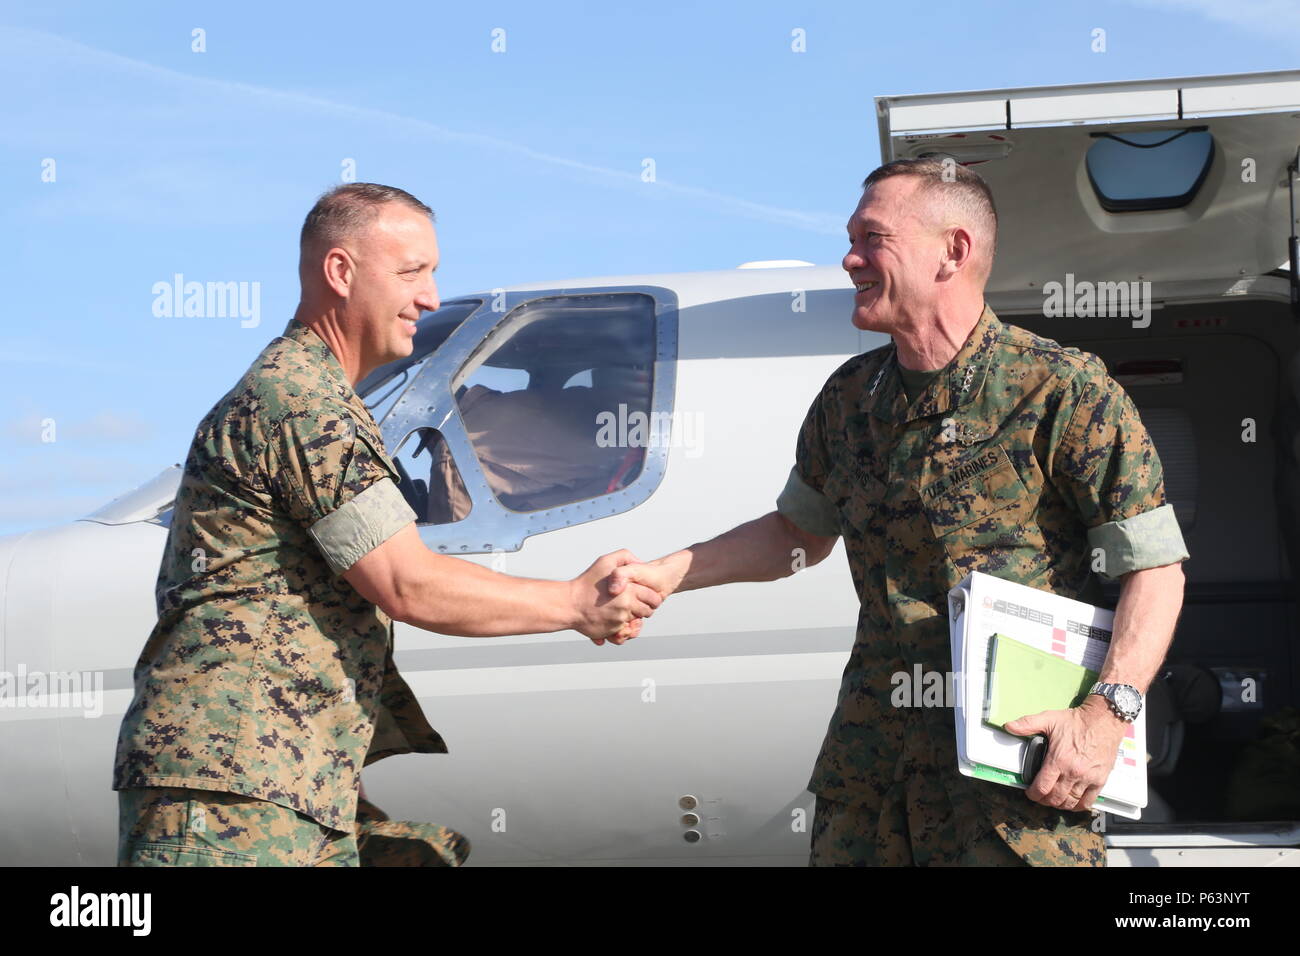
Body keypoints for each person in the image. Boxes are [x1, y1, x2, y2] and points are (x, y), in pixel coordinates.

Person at [611, 158, 1189, 866]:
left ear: (954, 251)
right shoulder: (850, 398)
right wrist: (670, 573)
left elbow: (1155, 568)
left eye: (871, 238)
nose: (849, 258)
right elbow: (796, 533)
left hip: (1012, 783)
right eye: (850, 239)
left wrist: (1106, 717)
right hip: (873, 773)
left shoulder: (1060, 390)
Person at [113, 183, 662, 867]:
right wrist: (576, 603)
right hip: (233, 791)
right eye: (412, 273)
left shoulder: (316, 398)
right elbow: (408, 582)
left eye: (432, 273)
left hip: (286, 781)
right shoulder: (300, 403)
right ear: (340, 273)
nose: (430, 297)